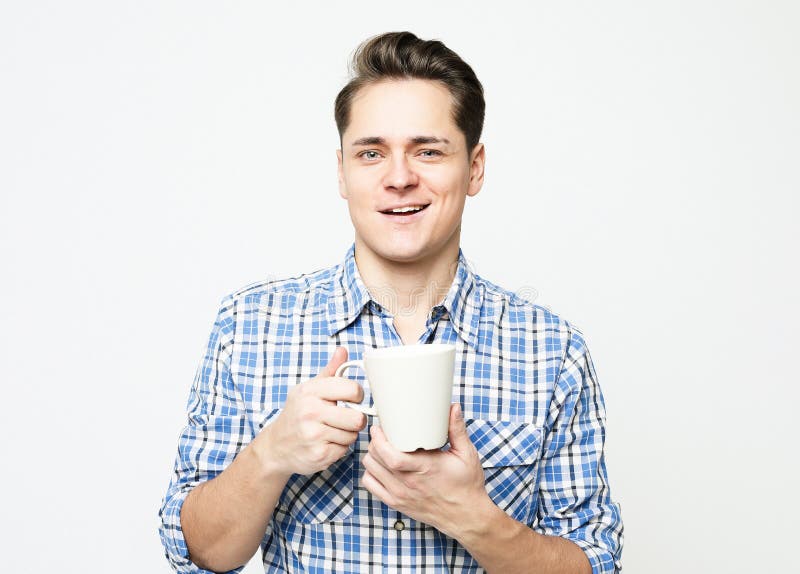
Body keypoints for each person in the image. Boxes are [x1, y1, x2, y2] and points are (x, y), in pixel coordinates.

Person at [159, 31, 623, 573]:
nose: (399, 178)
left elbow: (597, 564)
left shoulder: (553, 350)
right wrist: (270, 455)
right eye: (371, 153)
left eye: (428, 151)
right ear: (342, 171)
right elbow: (197, 554)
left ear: (474, 167)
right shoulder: (249, 327)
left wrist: (474, 518)